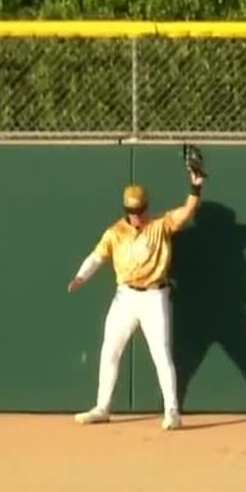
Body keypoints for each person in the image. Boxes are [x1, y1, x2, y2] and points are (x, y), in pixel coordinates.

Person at [66, 166, 204, 430]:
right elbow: (97, 256)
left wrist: (195, 186)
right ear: (125, 210)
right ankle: (102, 407)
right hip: (125, 297)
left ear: (146, 207)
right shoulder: (115, 233)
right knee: (110, 349)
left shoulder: (160, 224)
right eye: (132, 211)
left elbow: (188, 210)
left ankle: (172, 411)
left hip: (155, 296)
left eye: (140, 209)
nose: (137, 215)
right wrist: (81, 276)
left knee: (161, 354)